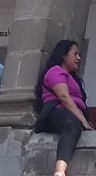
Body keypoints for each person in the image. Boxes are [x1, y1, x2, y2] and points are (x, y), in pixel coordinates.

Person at [37, 40, 92, 176]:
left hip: (71, 114)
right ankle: (59, 172)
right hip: (57, 111)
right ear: (63, 55)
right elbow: (63, 97)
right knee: (72, 124)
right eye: (75, 54)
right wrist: (82, 120)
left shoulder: (73, 78)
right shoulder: (55, 71)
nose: (78, 58)